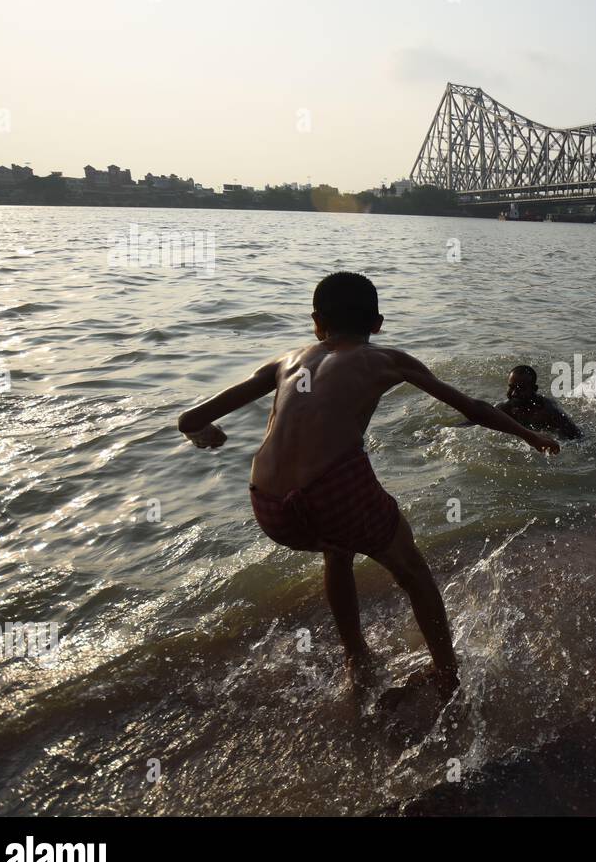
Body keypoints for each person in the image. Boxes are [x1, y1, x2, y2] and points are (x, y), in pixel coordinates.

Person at [176, 271, 560, 701]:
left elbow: (189, 420)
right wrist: (532, 437)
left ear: (316, 322)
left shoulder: (285, 362)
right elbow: (472, 407)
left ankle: (357, 659)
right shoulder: (386, 359)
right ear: (377, 324)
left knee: (337, 552)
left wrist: (205, 435)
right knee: (412, 571)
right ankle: (448, 677)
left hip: (270, 507)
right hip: (334, 492)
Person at [494, 365, 582, 439]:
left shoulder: (549, 411)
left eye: (521, 388)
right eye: (511, 387)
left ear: (534, 389)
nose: (514, 393)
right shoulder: (503, 409)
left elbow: (577, 437)